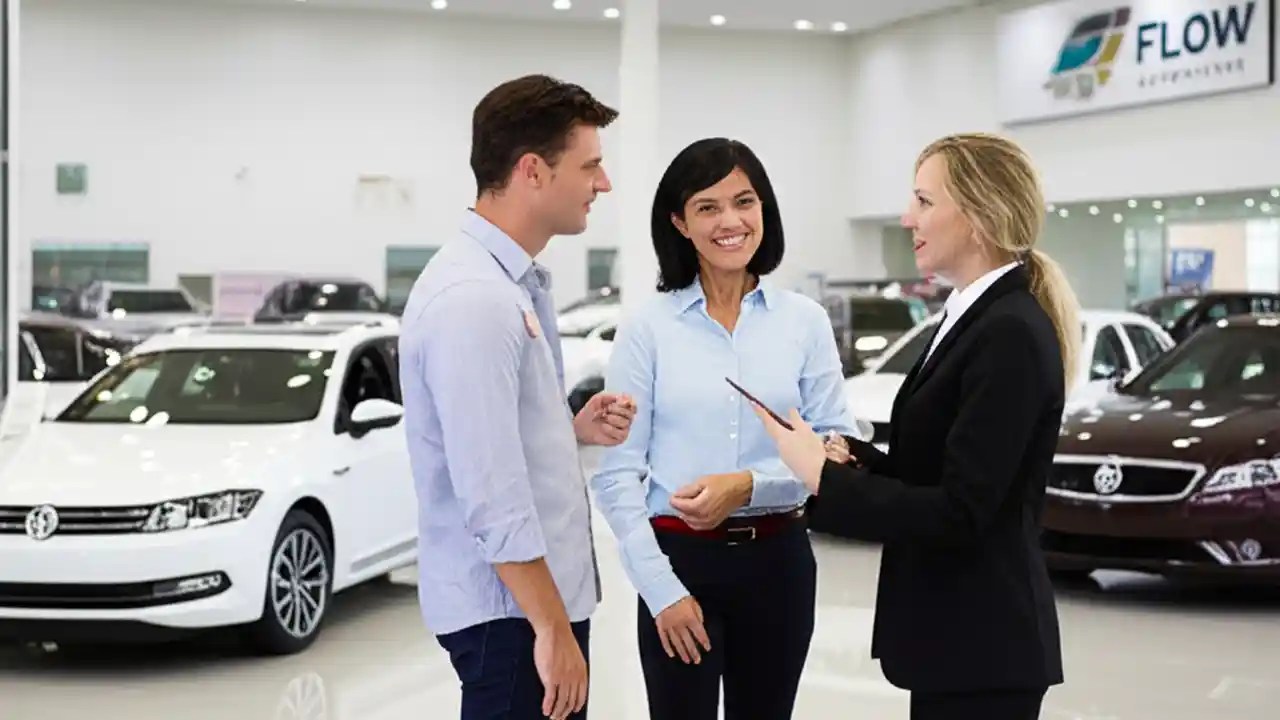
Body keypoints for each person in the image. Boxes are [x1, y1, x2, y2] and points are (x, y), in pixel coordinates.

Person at [752, 132, 1076, 720]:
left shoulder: (1007, 332)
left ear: (979, 214)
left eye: (925, 202)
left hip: (983, 644)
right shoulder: (970, 317)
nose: (908, 218)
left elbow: (961, 510)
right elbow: (934, 467)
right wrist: (849, 457)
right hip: (957, 642)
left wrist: (826, 480)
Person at [589, 137, 858, 720]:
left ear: (765, 210)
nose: (731, 221)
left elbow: (837, 448)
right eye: (708, 207)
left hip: (780, 563)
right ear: (680, 222)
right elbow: (616, 479)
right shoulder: (648, 330)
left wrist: (749, 486)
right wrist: (662, 592)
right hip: (679, 562)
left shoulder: (804, 324)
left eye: (744, 201)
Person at [399, 74, 637, 720]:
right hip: (514, 621)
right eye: (590, 166)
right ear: (533, 171)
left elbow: (497, 435)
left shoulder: (506, 283)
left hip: (526, 611)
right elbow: (491, 491)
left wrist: (565, 427)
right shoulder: (474, 300)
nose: (603, 184)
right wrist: (552, 627)